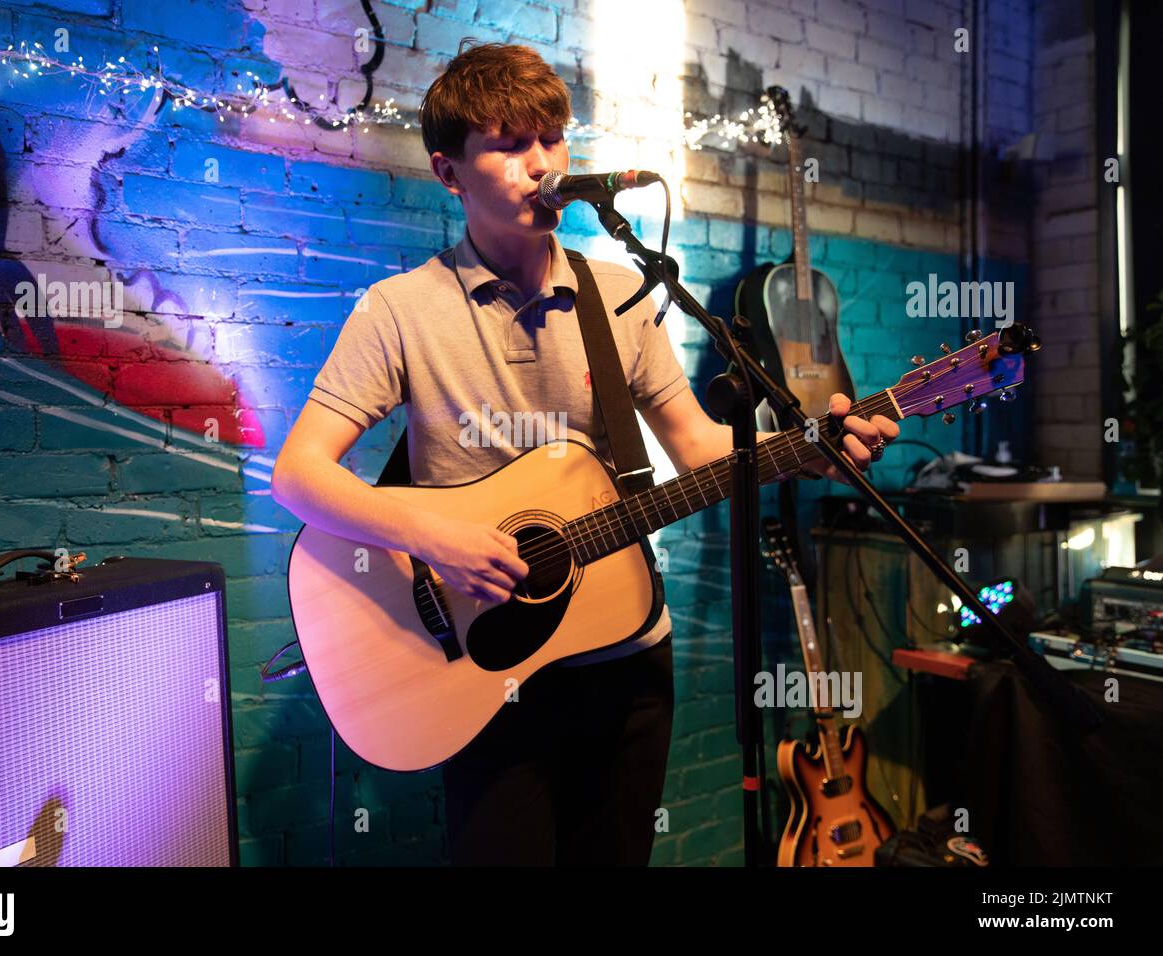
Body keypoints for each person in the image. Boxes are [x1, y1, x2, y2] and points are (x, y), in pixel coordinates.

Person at [273, 41, 900, 865]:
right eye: (508, 144)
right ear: (448, 172)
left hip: (628, 659)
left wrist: (804, 451)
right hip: (481, 666)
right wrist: (434, 539)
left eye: (552, 139)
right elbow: (298, 476)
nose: (541, 165)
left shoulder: (619, 297)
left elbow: (701, 445)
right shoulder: (400, 311)